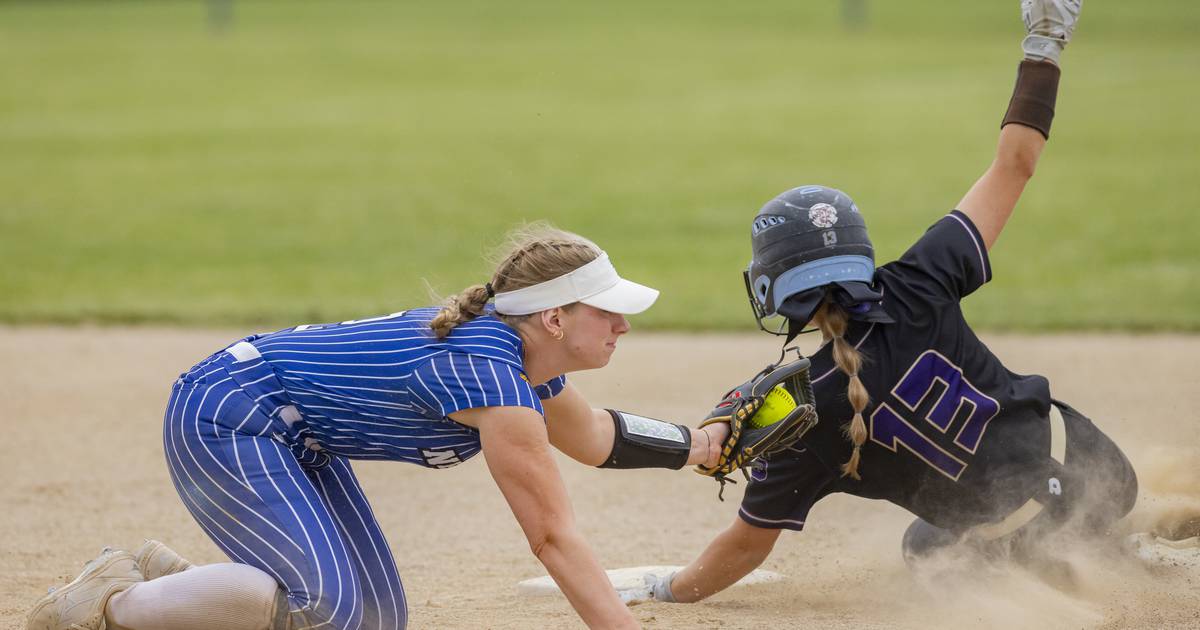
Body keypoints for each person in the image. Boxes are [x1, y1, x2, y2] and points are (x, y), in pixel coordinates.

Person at [645, 0, 1139, 604]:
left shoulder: (810, 420)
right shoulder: (921, 278)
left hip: (1023, 533)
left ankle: (1091, 575)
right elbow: (1017, 163)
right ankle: (1124, 545)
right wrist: (1045, 40)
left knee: (924, 547)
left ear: (777, 287)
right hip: (1097, 469)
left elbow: (744, 547)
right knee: (1014, 503)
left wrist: (668, 589)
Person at [27, 225, 738, 630]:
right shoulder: (491, 375)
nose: (623, 323)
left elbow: (593, 438)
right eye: (606, 311)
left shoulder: (522, 359)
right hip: (226, 414)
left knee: (374, 623)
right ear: (555, 318)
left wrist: (698, 446)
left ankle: (178, 584)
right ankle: (110, 604)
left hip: (286, 432)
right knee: (327, 611)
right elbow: (552, 535)